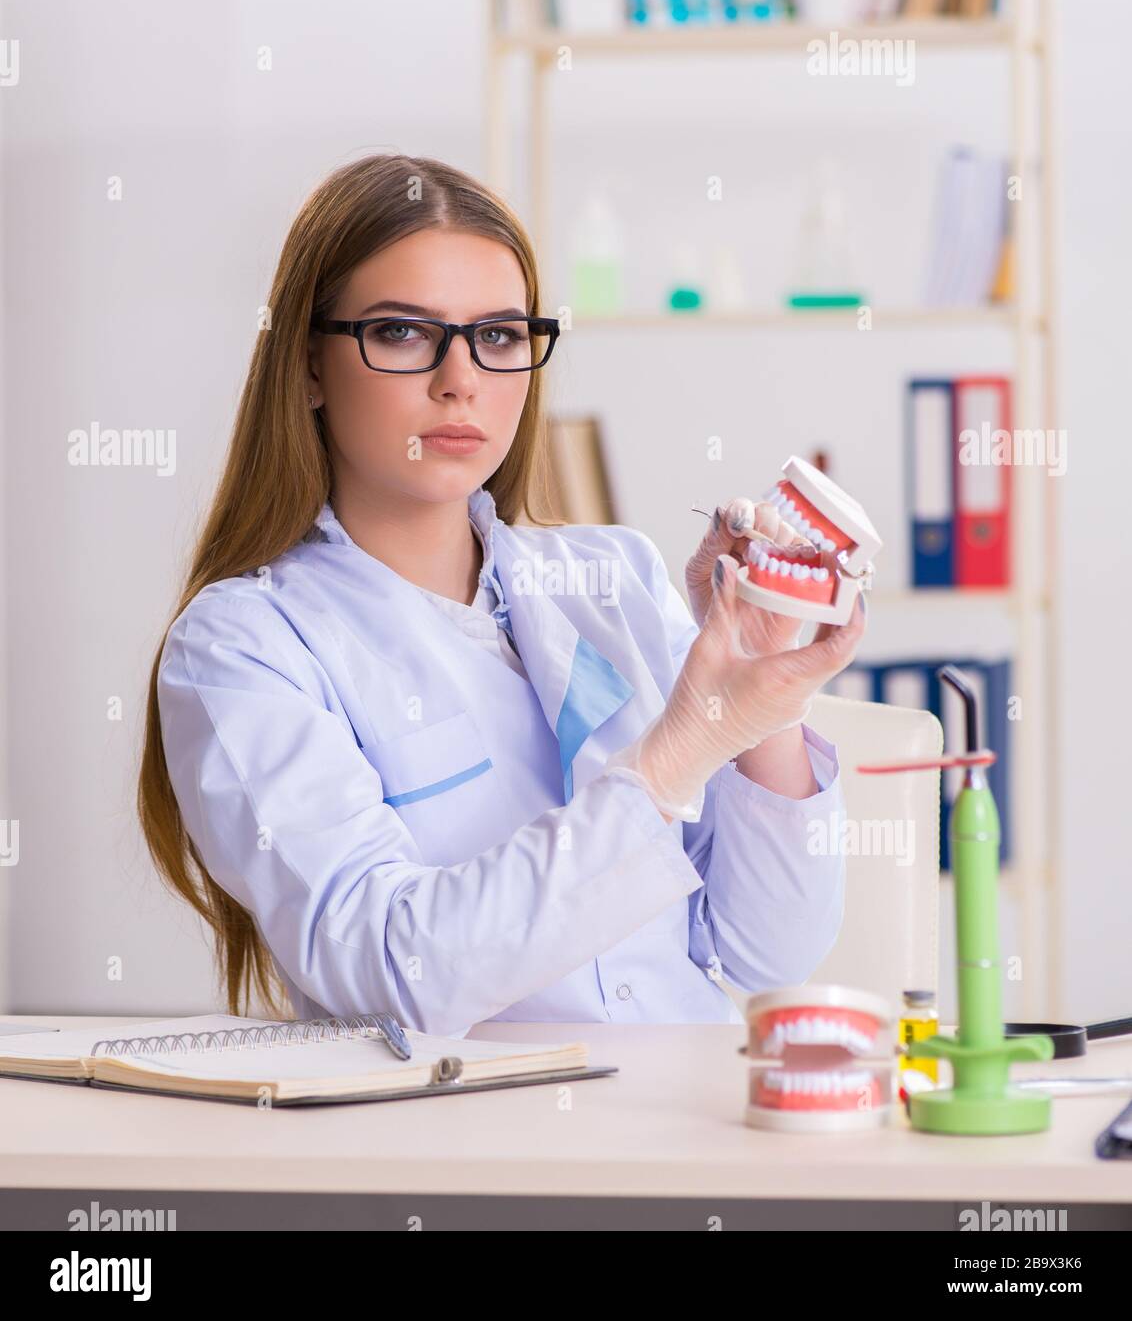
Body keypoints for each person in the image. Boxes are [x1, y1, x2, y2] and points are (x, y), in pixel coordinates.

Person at [138, 152, 866, 1036]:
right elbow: (392, 971)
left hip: (688, 1122)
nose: (462, 379)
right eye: (403, 332)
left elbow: (768, 951)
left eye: (499, 335)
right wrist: (676, 754)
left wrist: (760, 702)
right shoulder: (244, 648)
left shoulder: (615, 579)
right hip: (463, 1148)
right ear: (309, 366)